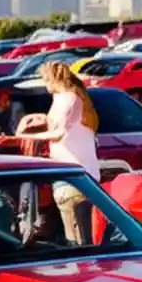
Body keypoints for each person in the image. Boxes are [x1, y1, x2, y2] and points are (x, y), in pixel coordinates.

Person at [13, 62, 100, 244]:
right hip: (88, 176)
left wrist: (28, 136)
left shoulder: (65, 98)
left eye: (45, 80)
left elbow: (60, 133)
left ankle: (82, 269)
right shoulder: (79, 99)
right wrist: (45, 119)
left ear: (52, 79)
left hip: (69, 176)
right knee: (85, 235)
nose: (45, 85)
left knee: (74, 238)